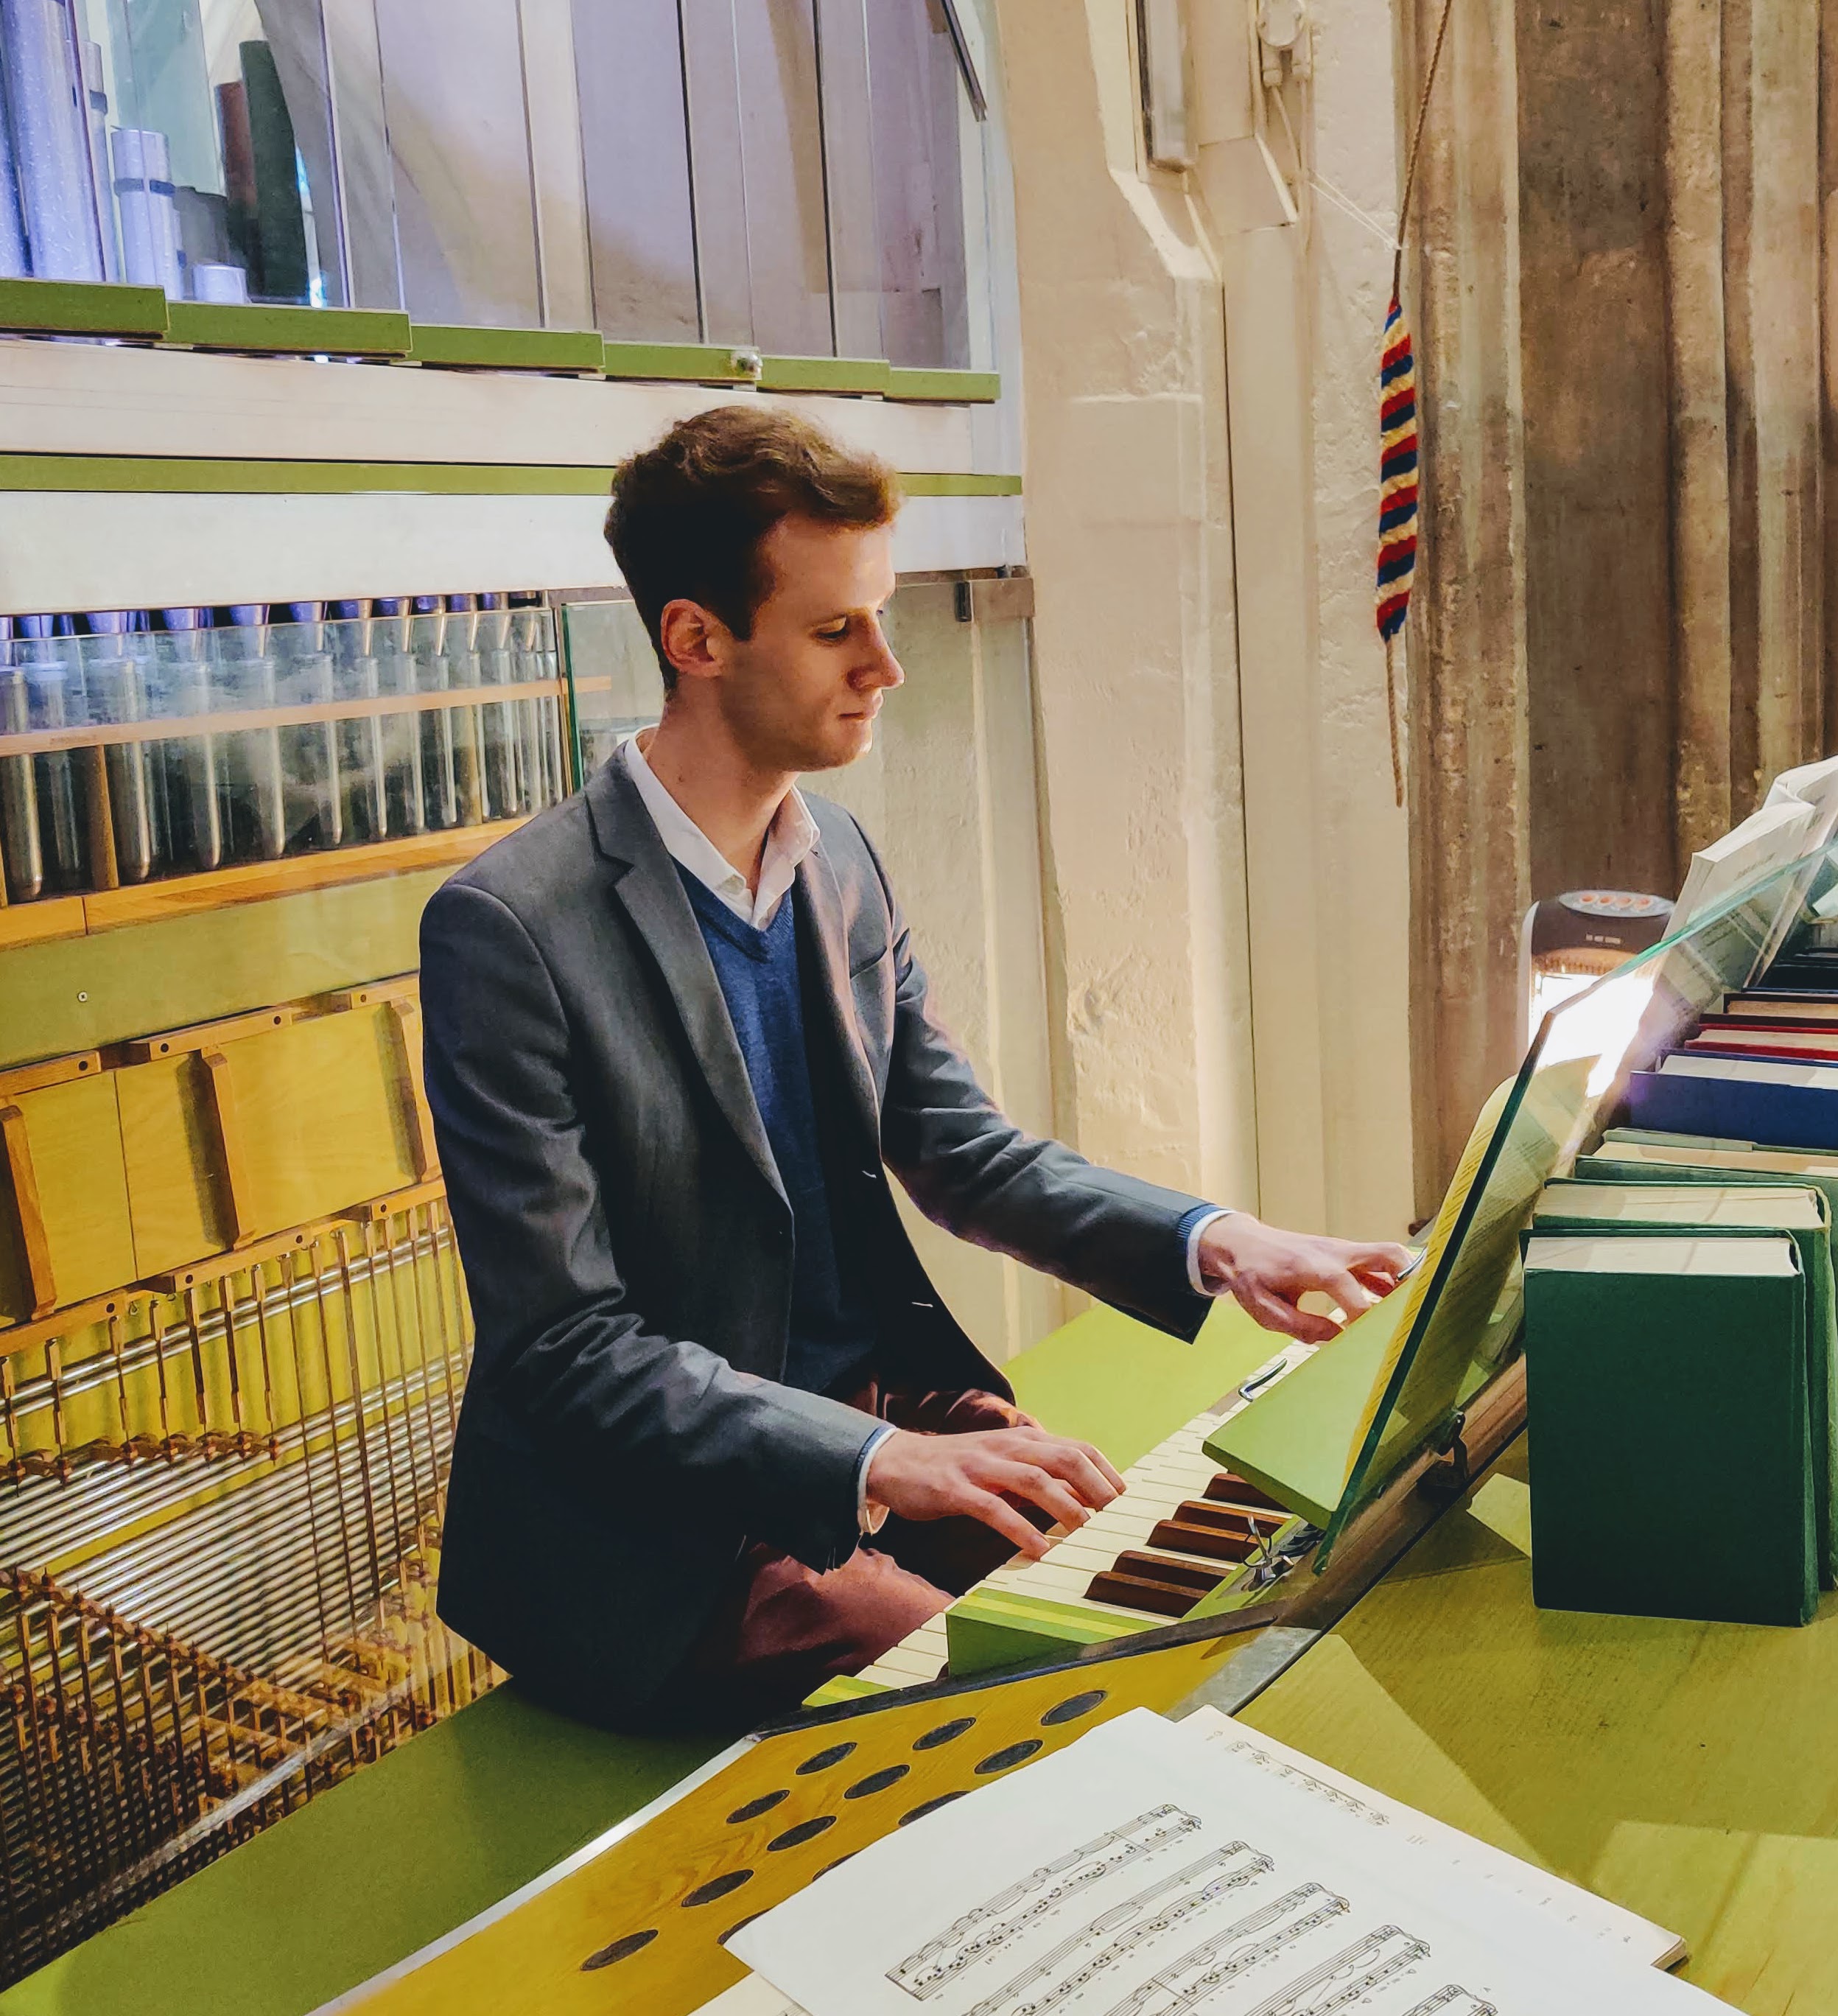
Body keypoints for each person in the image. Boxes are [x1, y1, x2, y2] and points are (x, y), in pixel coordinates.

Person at [420, 406, 1412, 1732]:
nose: (887, 666)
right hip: (659, 1530)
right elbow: (566, 1352)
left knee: (1174, 1588)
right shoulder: (507, 929)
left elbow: (961, 1151)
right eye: (839, 629)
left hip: (858, 1415)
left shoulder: (835, 857)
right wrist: (889, 1461)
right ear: (696, 640)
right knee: (1029, 1700)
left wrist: (1222, 1243)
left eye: (879, 618)